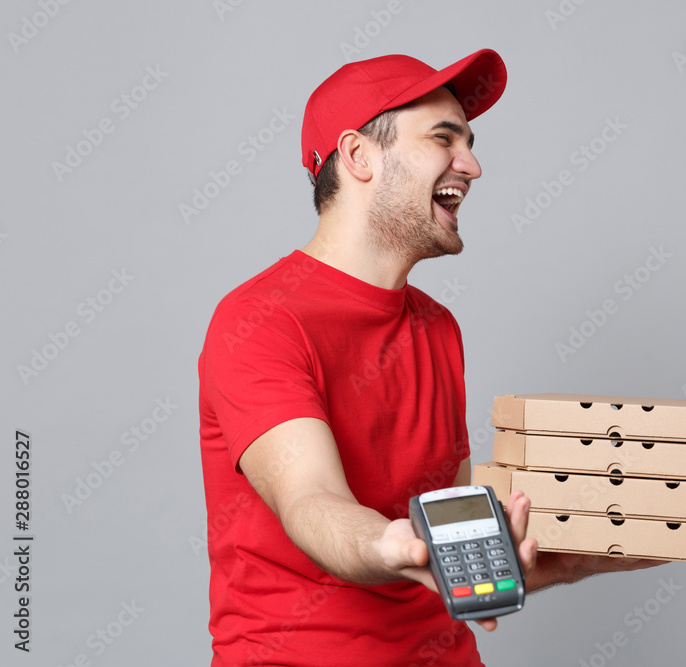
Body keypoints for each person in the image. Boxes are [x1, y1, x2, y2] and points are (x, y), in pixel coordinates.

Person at [198, 49, 657, 667]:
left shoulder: (438, 327)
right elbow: (310, 500)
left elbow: (454, 553)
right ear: (359, 155)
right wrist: (393, 544)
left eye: (468, 142)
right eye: (445, 138)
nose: (471, 164)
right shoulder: (261, 321)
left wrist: (651, 537)